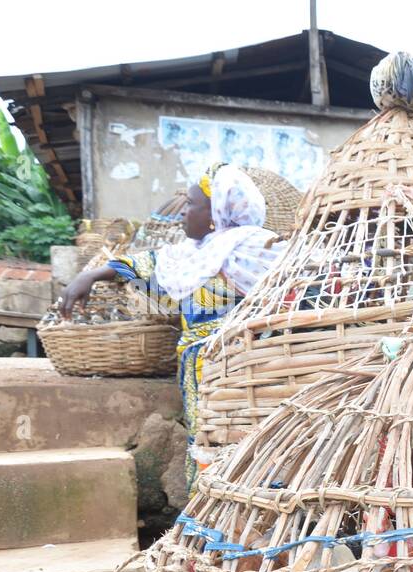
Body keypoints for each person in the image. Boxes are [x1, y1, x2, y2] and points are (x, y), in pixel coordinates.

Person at [62, 163, 286, 489]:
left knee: (254, 445)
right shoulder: (193, 253)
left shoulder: (262, 250)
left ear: (216, 214)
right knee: (208, 444)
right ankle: (209, 517)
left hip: (250, 369)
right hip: (200, 370)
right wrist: (91, 274)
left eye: (192, 204)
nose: (183, 213)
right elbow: (146, 263)